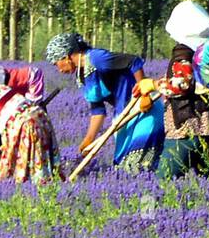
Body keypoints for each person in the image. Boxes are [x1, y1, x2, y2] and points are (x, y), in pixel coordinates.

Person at [45, 32, 163, 173]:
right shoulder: (82, 76)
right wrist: (89, 140)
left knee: (138, 165)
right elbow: (98, 111)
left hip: (142, 108)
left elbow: (134, 61)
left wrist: (145, 93)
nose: (58, 69)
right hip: (124, 117)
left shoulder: (96, 58)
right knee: (123, 167)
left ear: (65, 57)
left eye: (56, 64)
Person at [155, 1, 209, 179]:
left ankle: (149, 209)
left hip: (187, 129)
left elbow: (181, 85)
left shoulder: (184, 51)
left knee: (164, 182)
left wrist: (153, 85)